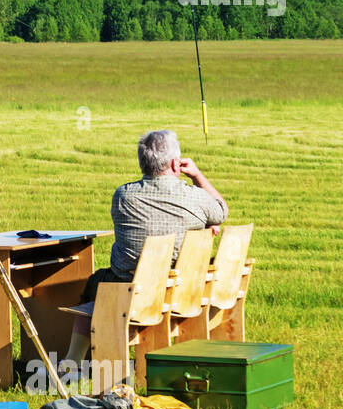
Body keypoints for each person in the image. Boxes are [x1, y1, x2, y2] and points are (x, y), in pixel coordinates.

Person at [63, 129, 228, 367]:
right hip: (183, 291)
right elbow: (221, 210)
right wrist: (197, 176)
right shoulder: (195, 198)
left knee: (95, 283)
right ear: (175, 164)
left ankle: (72, 363)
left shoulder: (123, 196)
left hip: (130, 292)